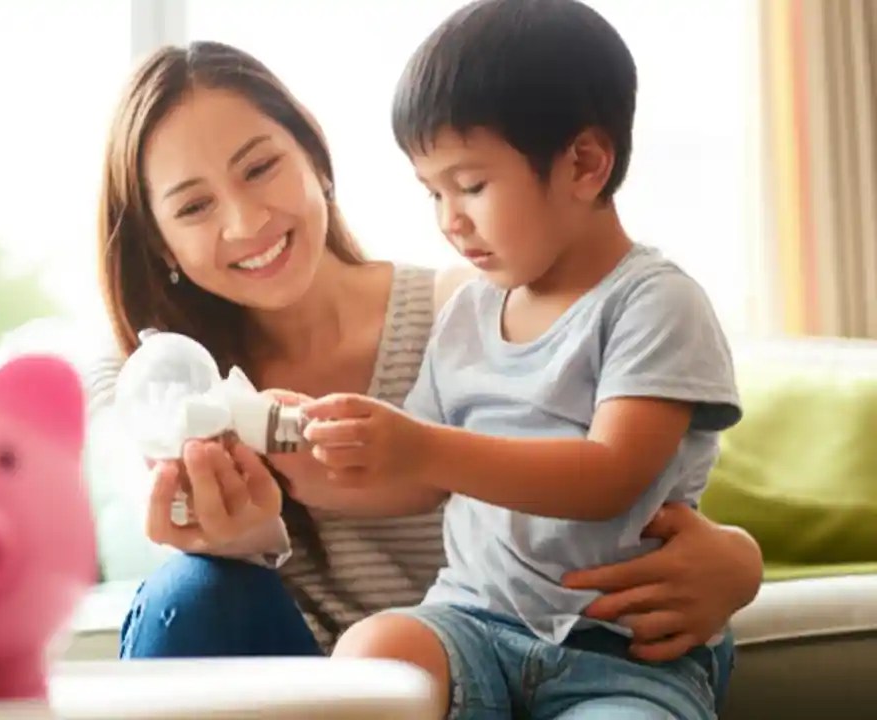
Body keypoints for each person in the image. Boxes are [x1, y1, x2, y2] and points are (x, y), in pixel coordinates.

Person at [89, 37, 761, 706]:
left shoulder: (474, 306)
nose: (245, 220)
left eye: (260, 168)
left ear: (316, 156)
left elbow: (631, 486)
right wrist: (255, 520)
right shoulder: (156, 384)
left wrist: (739, 562)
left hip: (567, 651)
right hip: (383, 668)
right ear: (159, 241)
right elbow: (401, 479)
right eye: (194, 207)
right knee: (196, 591)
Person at [298, 1, 743, 718]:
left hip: (621, 659)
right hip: (470, 626)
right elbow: (410, 484)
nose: (450, 219)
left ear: (584, 163)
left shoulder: (654, 304)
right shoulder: (470, 312)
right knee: (372, 654)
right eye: (432, 192)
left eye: (470, 185)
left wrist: (420, 449)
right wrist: (302, 458)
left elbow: (611, 477)